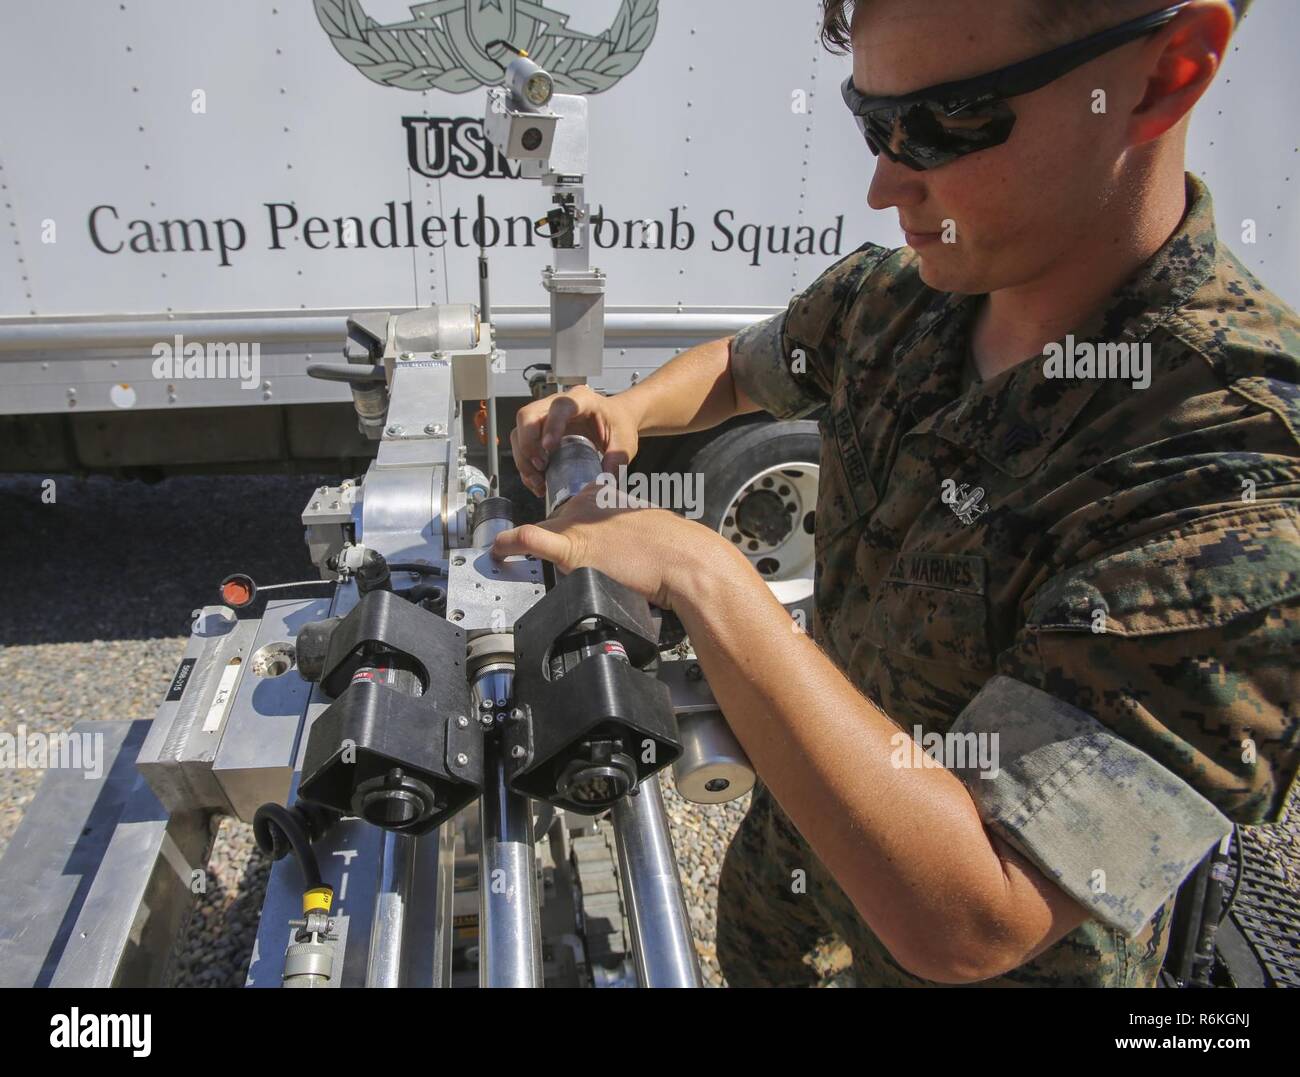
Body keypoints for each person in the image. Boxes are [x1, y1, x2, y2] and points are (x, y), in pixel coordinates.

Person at [492, 0, 1299, 986]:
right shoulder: (907, 294)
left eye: (947, 122)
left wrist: (701, 573)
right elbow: (751, 366)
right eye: (872, 122)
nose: (883, 184)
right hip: (792, 895)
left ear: (1166, 72)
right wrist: (628, 411)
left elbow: (976, 916)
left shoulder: (1232, 477)